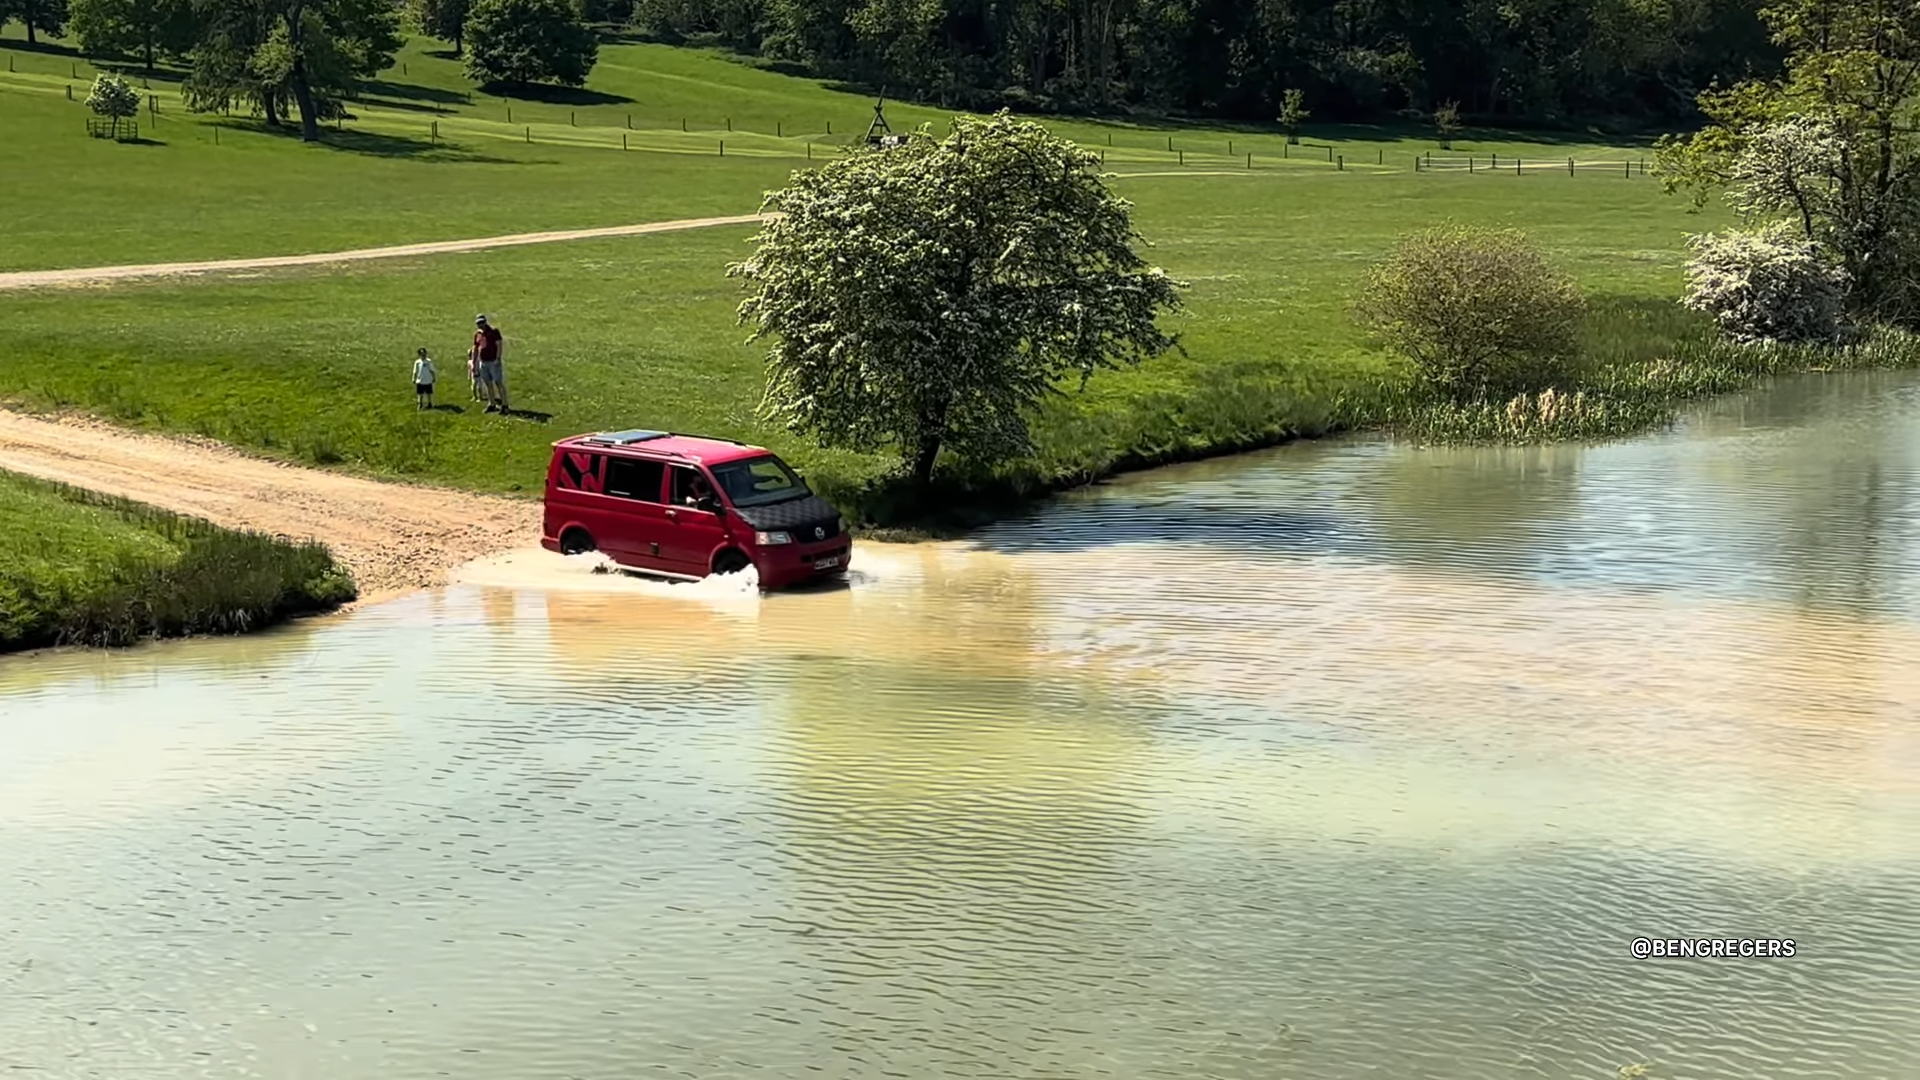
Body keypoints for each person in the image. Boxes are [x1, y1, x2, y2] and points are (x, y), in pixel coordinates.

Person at [470, 314, 510, 414]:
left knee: (498, 382)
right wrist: (474, 362)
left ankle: (505, 405)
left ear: (485, 322)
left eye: (482, 322)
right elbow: (475, 348)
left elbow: (499, 345)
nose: (480, 325)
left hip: (493, 362)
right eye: (478, 323)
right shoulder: (477, 334)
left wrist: (497, 358)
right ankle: (492, 403)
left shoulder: (493, 332)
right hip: (483, 362)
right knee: (487, 383)